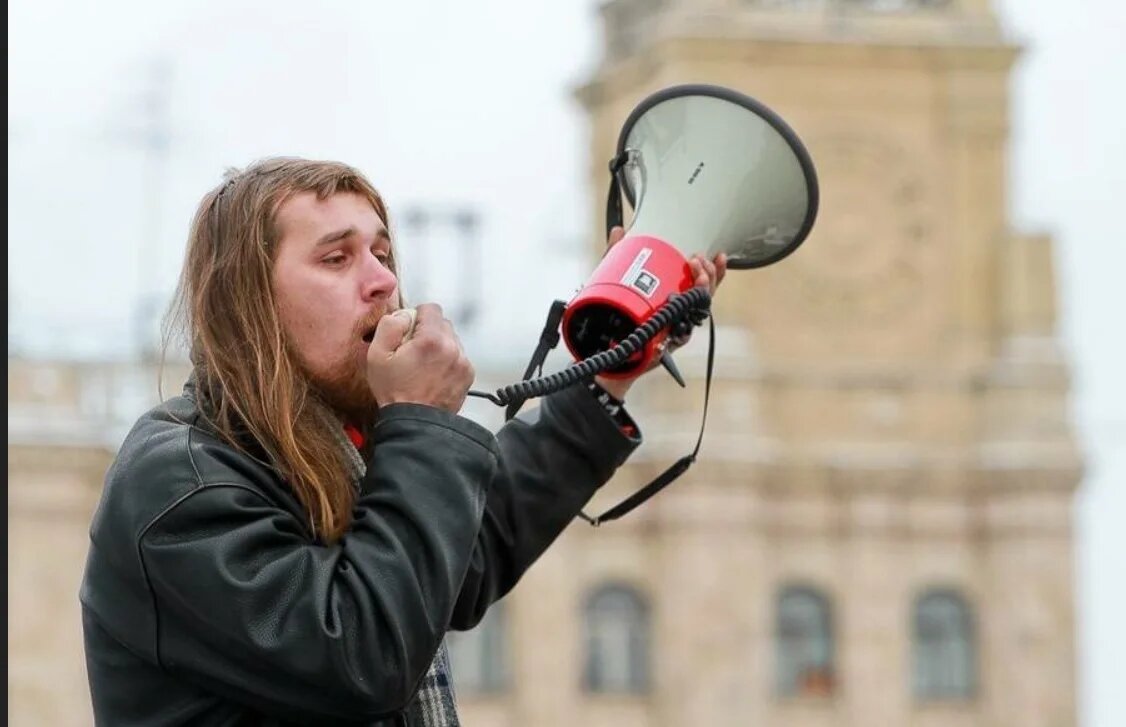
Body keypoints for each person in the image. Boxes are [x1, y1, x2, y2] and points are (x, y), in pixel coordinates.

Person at [79, 156, 726, 726]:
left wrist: (604, 377)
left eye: (382, 255)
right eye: (337, 258)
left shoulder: (338, 452)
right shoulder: (180, 483)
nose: (383, 282)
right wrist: (418, 420)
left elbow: (462, 553)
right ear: (249, 305)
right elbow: (362, 654)